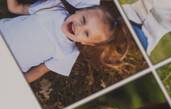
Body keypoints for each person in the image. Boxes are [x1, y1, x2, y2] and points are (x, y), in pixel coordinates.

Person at [1, 0, 130, 86]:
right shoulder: (54, 8)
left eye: (86, 33)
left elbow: (39, 71)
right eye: (83, 19)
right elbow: (16, 8)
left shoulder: (69, 53)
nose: (78, 27)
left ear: (86, 42)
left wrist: (16, 84)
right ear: (79, 10)